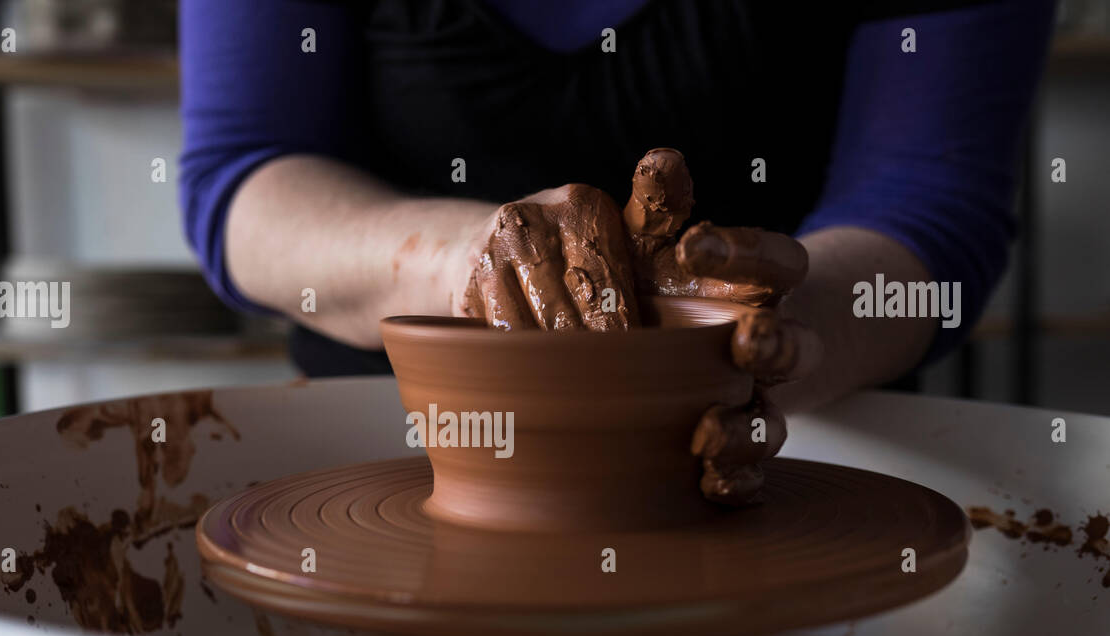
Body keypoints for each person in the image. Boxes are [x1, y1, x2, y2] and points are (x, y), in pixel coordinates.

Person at [178, 0, 1053, 495]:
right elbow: (246, 177)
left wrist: (763, 329)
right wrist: (467, 265)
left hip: (785, 453)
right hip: (397, 465)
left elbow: (931, 202)